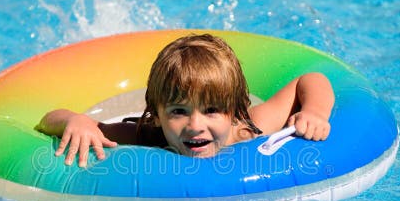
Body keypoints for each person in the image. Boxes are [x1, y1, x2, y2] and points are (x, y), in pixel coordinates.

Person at [36, 33, 334, 166]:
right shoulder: (147, 137)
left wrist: (314, 112)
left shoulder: (251, 128)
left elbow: (311, 80)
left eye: (212, 110)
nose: (195, 125)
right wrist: (76, 121)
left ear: (235, 111)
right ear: (156, 114)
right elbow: (50, 118)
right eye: (179, 111)